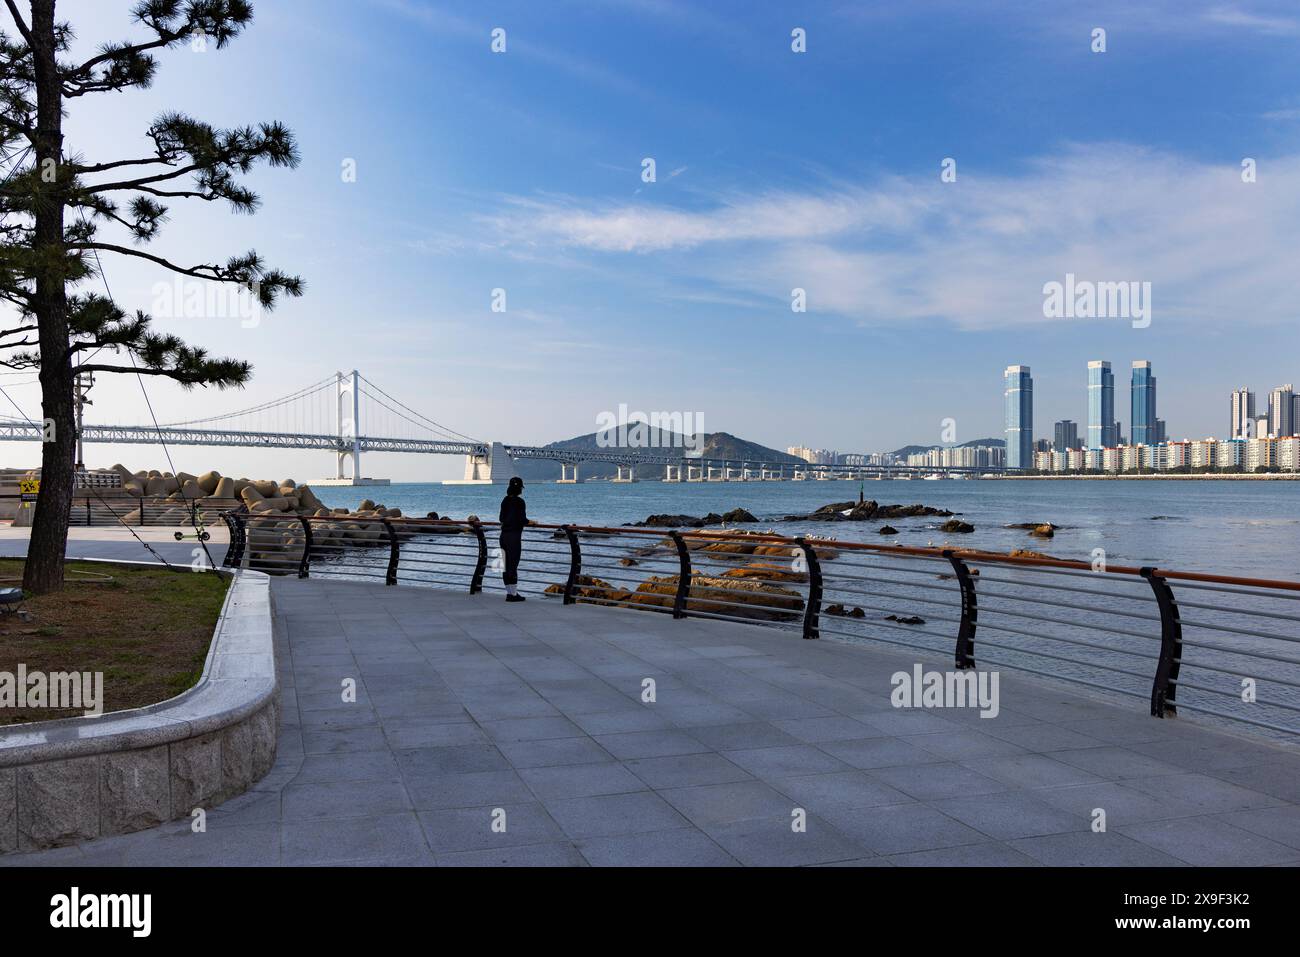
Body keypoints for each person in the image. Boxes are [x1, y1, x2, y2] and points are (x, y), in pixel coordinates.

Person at [498, 476, 530, 601]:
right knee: (513, 566)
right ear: (519, 489)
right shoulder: (520, 502)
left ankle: (509, 593)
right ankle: (514, 594)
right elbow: (522, 520)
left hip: (503, 536)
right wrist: (531, 522)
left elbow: (501, 518)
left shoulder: (505, 500)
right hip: (514, 537)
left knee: (505, 566)